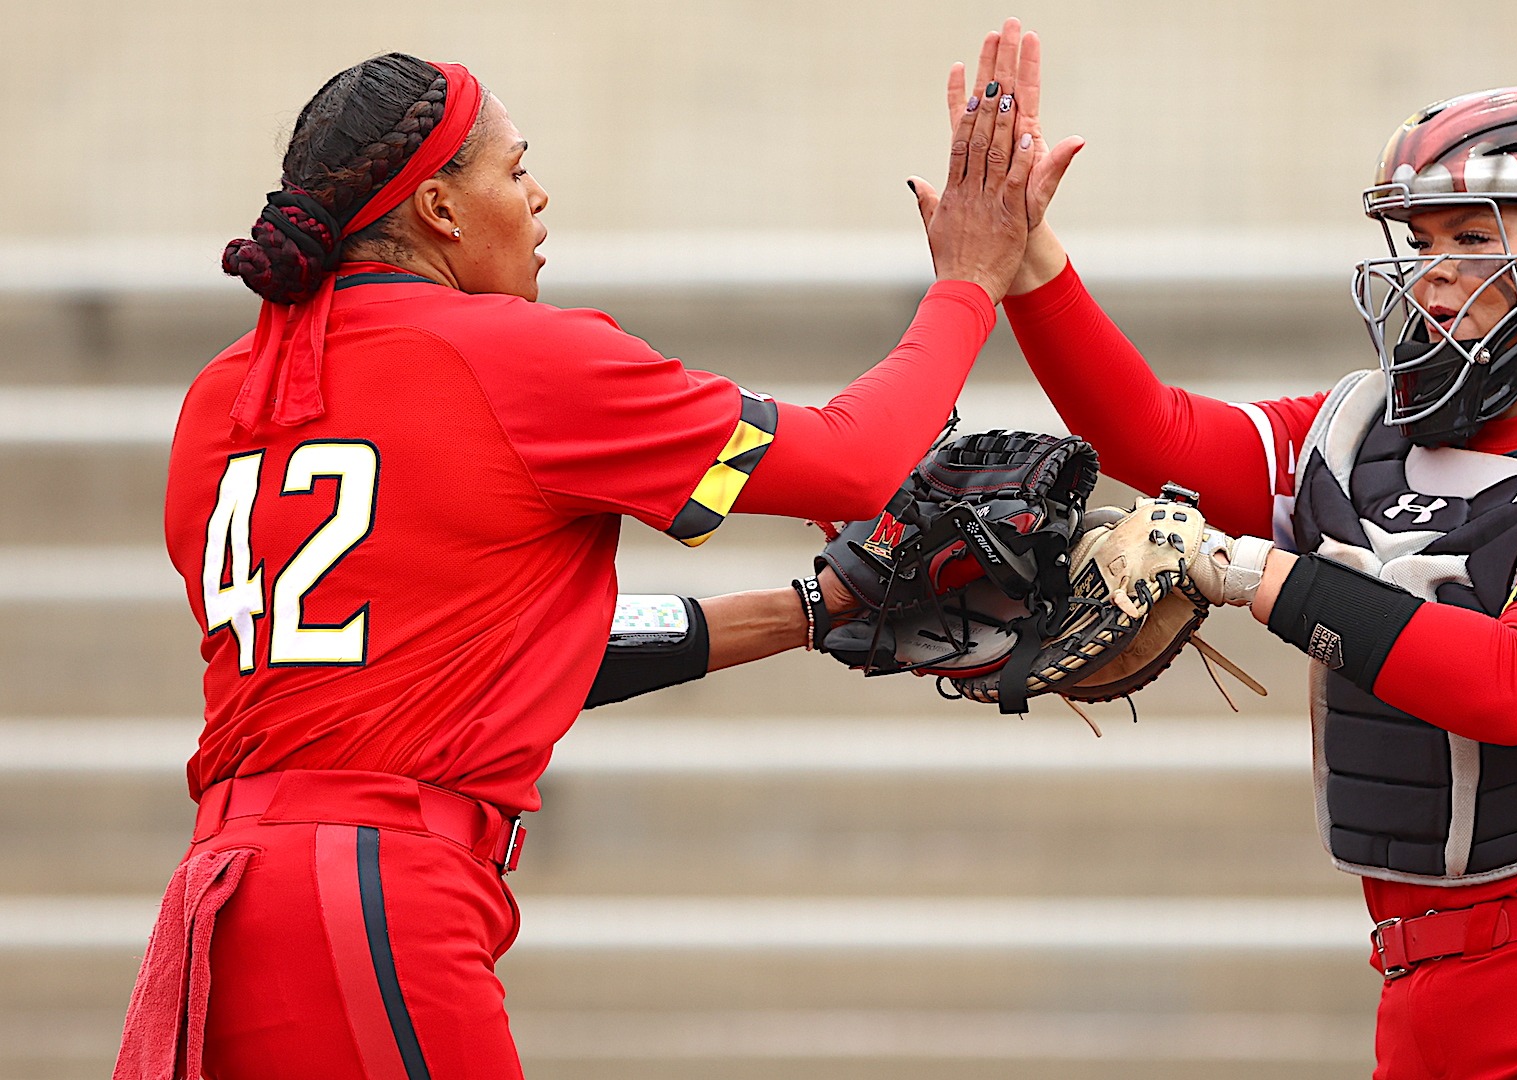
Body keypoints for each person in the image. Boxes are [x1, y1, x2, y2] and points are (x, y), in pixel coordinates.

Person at [117, 31, 1054, 1078]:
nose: (539, 197)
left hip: (224, 900)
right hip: (375, 891)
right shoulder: (518, 360)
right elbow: (852, 463)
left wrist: (808, 609)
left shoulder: (217, 399)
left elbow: (483, 654)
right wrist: (972, 279)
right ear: (437, 208)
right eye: (513, 170)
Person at [957, 70, 1517, 1078]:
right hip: (1421, 998)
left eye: (1475, 242)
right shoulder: (1356, 431)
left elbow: (1516, 686)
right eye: (1423, 243)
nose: (1432, 275)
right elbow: (1151, 434)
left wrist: (1248, 570)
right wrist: (1029, 256)